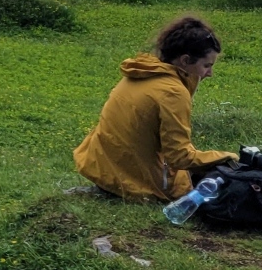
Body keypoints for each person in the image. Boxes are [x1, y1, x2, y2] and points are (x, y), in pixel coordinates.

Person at [74, 16, 237, 201]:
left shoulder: (143, 70)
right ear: (185, 60)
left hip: (101, 167)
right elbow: (179, 157)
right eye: (206, 65)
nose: (210, 73)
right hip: (133, 182)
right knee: (221, 181)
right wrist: (227, 157)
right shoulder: (173, 92)